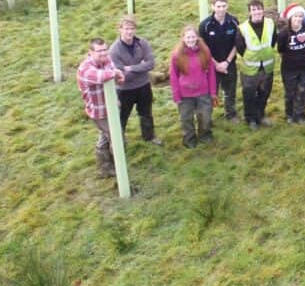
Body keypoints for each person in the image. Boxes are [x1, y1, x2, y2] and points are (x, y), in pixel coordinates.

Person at [109, 15, 162, 146]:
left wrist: (130, 68)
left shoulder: (142, 43)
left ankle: (149, 137)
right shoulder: (114, 50)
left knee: (146, 113)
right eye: (126, 29)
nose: (129, 32)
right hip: (124, 89)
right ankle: (118, 142)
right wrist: (141, 67)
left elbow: (151, 64)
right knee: (122, 116)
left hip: (144, 86)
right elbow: (120, 75)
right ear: (120, 29)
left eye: (132, 28)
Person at [77, 38, 124, 177]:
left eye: (105, 50)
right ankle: (116, 166)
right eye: (99, 51)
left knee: (105, 136)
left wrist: (118, 76)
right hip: (99, 112)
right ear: (90, 52)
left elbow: (112, 74)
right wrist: (117, 73)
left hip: (112, 108)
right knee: (117, 138)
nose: (103, 53)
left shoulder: (107, 59)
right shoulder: (85, 69)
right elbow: (102, 76)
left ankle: (105, 167)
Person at [168, 26, 217, 148]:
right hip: (185, 94)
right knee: (186, 118)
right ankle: (189, 139)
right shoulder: (176, 55)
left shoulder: (205, 52)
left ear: (197, 37)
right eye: (188, 37)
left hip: (203, 92)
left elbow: (211, 73)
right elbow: (173, 77)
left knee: (205, 116)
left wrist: (213, 92)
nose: (191, 40)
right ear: (183, 38)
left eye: (193, 37)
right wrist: (176, 95)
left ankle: (205, 135)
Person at [235, 0, 277, 129]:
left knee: (264, 93)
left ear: (263, 10)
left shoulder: (270, 24)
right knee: (249, 95)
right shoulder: (242, 28)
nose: (257, 12)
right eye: (254, 9)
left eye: (259, 9)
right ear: (249, 12)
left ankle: (261, 115)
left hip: (267, 67)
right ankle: (250, 119)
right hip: (250, 69)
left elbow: (273, 41)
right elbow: (240, 47)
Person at [199, 0, 240, 122]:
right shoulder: (205, 25)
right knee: (210, 92)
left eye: (223, 6)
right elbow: (203, 48)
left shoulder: (234, 22)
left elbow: (237, 44)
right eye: (218, 6)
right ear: (213, 7)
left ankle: (231, 114)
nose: (221, 9)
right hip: (211, 65)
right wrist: (216, 64)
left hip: (229, 64)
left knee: (230, 91)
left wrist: (227, 62)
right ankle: (207, 118)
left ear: (227, 6)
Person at [277, 4, 305, 124]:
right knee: (290, 92)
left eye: (300, 16)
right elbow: (281, 50)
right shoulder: (283, 34)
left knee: (303, 90)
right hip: (289, 68)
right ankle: (289, 113)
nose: (298, 19)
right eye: (295, 16)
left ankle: (300, 114)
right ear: (290, 18)